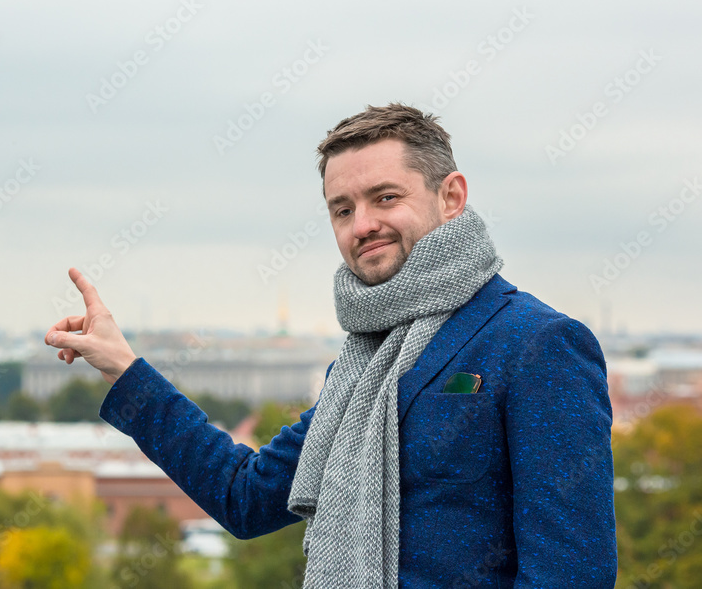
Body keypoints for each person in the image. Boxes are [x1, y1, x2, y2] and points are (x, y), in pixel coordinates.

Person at [45, 103, 617, 588]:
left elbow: (572, 573)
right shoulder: (362, 366)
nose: (361, 224)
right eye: (342, 210)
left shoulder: (539, 344)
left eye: (385, 197)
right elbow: (246, 497)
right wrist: (126, 372)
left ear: (451, 197)